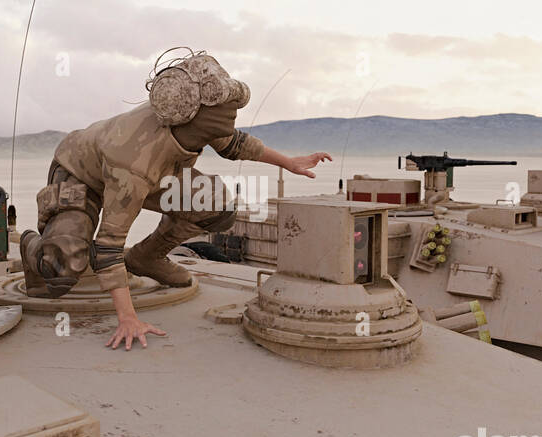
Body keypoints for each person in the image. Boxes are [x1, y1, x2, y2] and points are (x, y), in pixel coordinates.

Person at [20, 48, 331, 351]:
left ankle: (146, 258)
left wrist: (289, 163)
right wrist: (128, 318)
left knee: (216, 205)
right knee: (63, 266)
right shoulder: (135, 161)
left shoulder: (199, 120)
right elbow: (108, 246)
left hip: (153, 173)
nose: (232, 113)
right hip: (81, 172)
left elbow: (236, 143)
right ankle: (34, 249)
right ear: (192, 116)